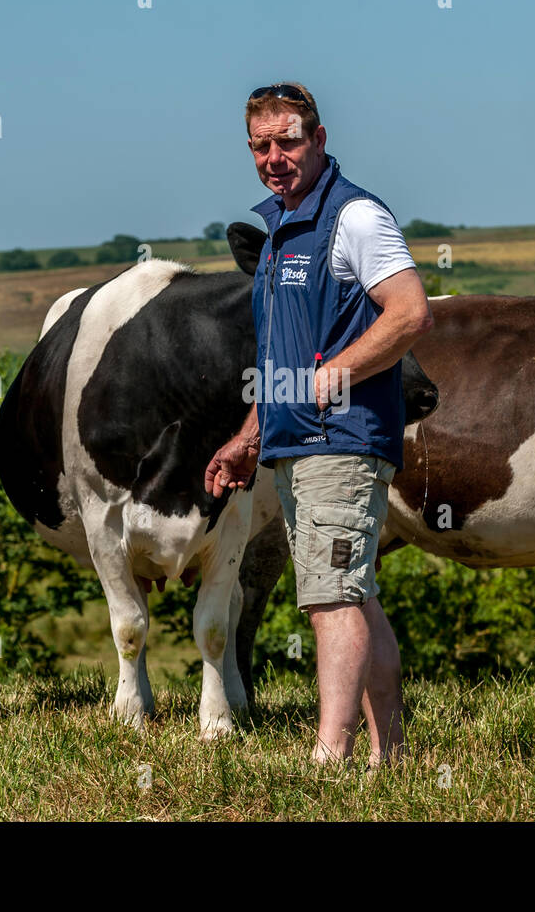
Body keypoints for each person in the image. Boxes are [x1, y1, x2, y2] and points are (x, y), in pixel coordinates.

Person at [205, 82, 433, 765]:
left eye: (288, 140)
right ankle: (387, 752)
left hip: (343, 440)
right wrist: (249, 437)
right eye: (261, 145)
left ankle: (329, 753)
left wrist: (337, 370)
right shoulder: (281, 227)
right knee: (353, 595)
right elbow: (281, 354)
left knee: (331, 599)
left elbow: (410, 311)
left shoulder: (355, 217)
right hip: (292, 444)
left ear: (320, 138)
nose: (275, 156)